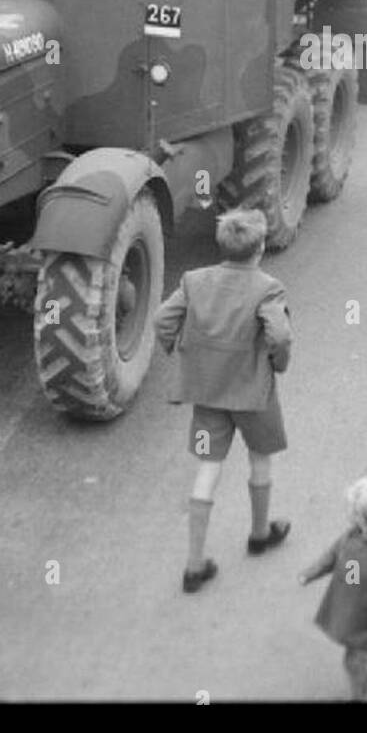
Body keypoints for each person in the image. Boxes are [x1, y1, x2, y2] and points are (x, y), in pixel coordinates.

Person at [154, 208, 294, 593]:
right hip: (255, 395)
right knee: (260, 459)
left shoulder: (194, 281)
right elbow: (279, 337)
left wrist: (185, 355)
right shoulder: (268, 287)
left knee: (208, 467)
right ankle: (260, 533)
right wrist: (277, 364)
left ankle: (195, 564)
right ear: (260, 248)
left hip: (208, 394)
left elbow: (163, 320)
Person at [299, 474, 367, 702]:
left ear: (365, 520)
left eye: (353, 510)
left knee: (354, 662)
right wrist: (311, 573)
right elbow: (332, 555)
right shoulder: (352, 535)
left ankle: (360, 695)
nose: (349, 512)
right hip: (351, 605)